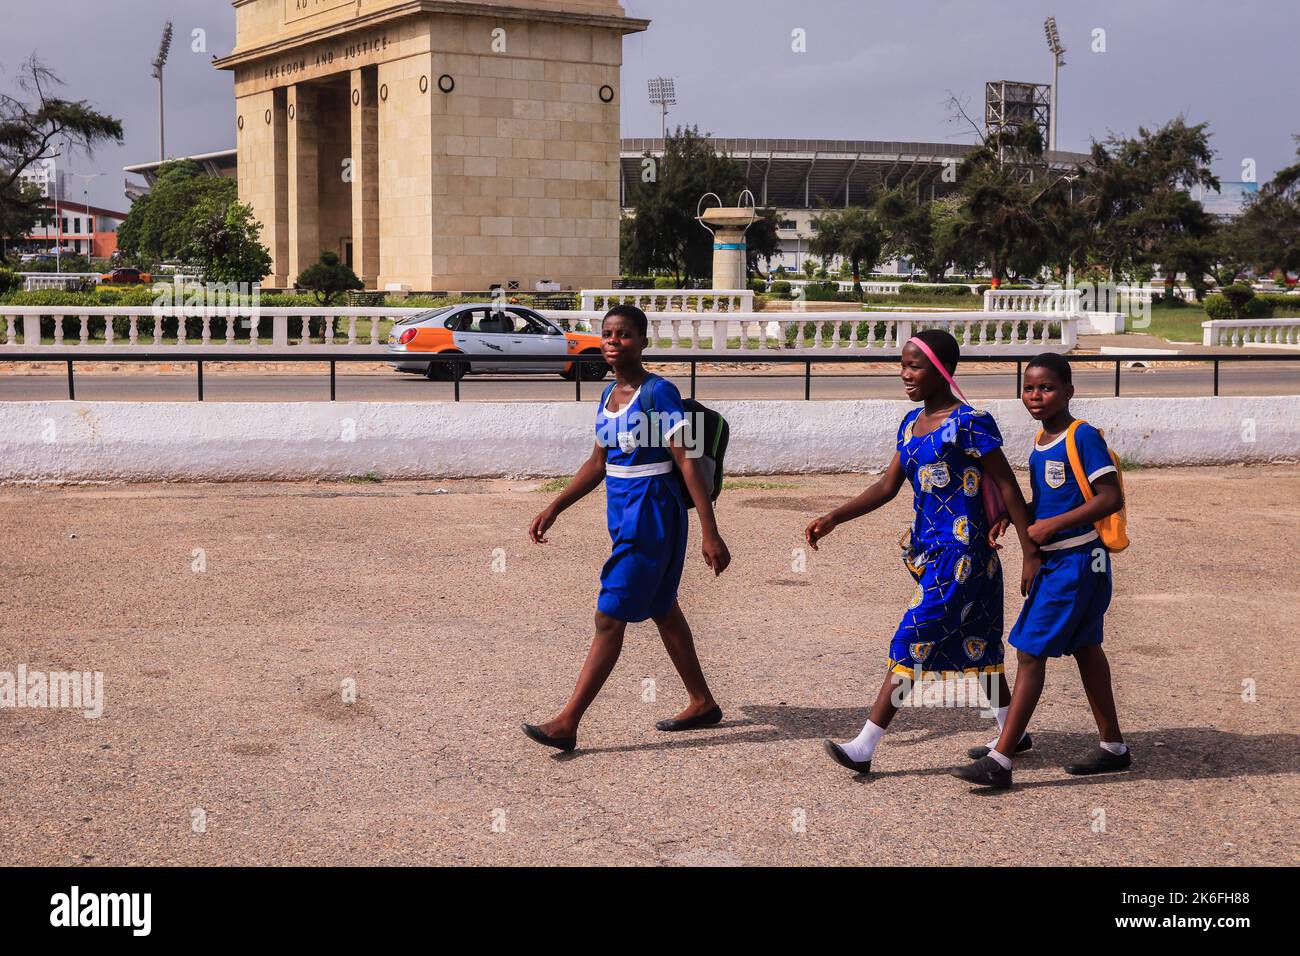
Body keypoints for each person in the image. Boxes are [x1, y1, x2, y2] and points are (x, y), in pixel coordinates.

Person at [808, 329, 1041, 775]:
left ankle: (864, 745)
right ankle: (1014, 729)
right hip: (930, 553)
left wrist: (1029, 551)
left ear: (941, 370)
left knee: (910, 639)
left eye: (914, 366)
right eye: (902, 365)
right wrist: (834, 517)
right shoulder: (910, 425)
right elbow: (886, 486)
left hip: (966, 556)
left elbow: (1008, 486)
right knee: (981, 649)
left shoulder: (971, 422)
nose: (905, 374)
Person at [522, 304, 731, 753]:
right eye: (608, 335)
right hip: (623, 514)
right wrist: (556, 505)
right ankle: (702, 701)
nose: (614, 342)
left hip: (655, 515)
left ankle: (567, 721)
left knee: (609, 614)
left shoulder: (660, 393)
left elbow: (687, 460)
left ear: (642, 341)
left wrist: (710, 532)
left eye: (624, 335)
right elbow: (599, 463)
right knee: (662, 606)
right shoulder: (608, 397)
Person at [953, 352, 1130, 789]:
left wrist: (1050, 526)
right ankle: (1113, 747)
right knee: (1087, 648)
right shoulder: (1040, 440)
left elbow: (1109, 498)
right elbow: (1055, 499)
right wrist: (1016, 516)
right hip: (1068, 562)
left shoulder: (1081, 436)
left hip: (1075, 563)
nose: (1036, 395)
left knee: (1030, 651)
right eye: (1029, 387)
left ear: (1069, 391)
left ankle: (1002, 757)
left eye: (1046, 387)